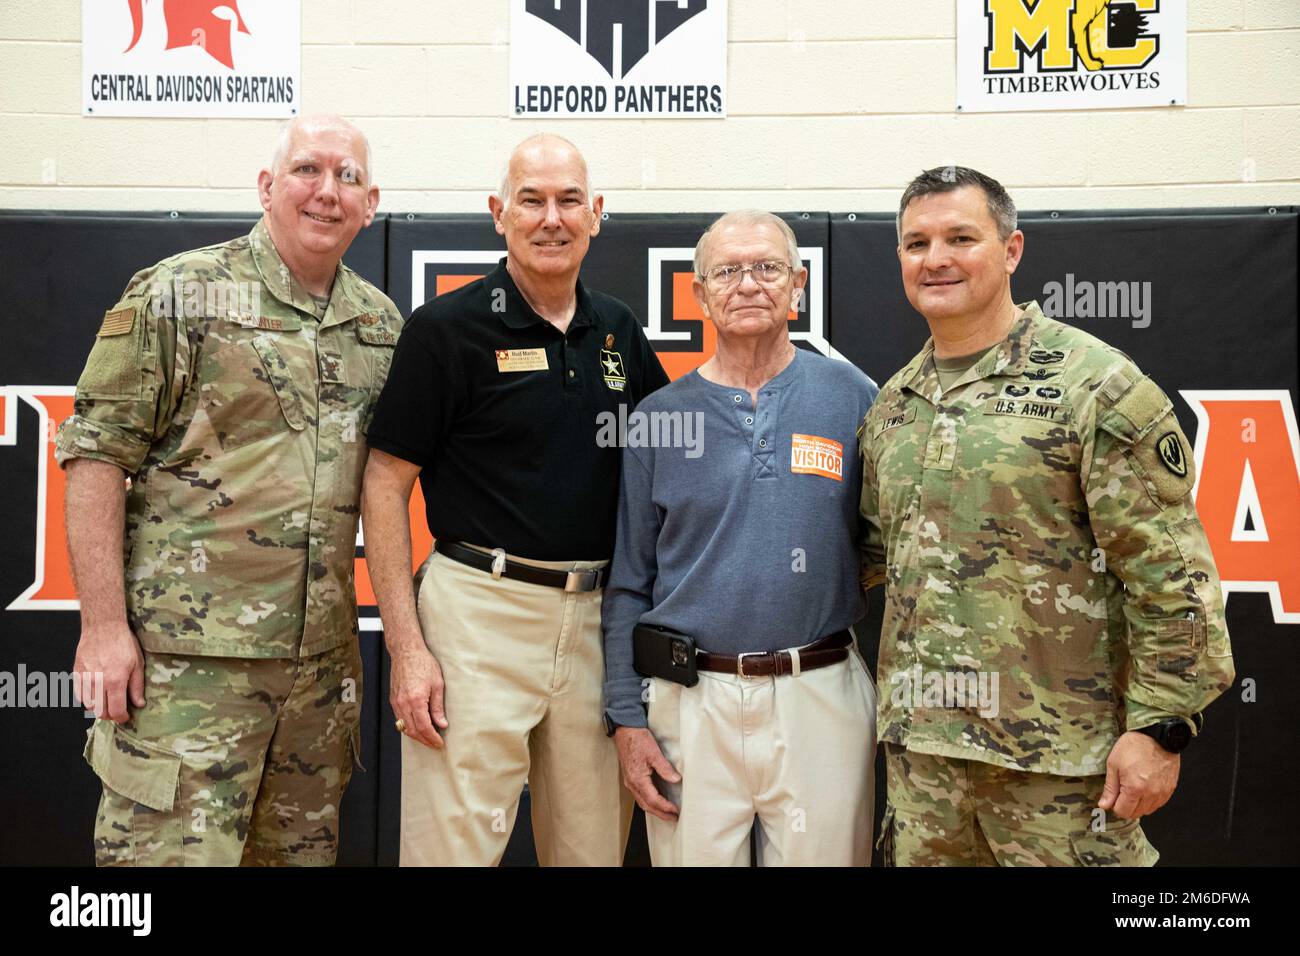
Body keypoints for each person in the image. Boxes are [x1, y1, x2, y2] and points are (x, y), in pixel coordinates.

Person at [859, 166, 1235, 866]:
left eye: (960, 237)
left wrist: (1160, 730)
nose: (935, 258)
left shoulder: (1094, 385)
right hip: (926, 768)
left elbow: (1171, 574)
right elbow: (872, 559)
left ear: (1011, 250)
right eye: (916, 243)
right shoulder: (894, 406)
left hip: (1060, 768)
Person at [57, 114, 402, 866]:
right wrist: (104, 627)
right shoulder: (179, 294)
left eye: (348, 178)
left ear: (370, 203)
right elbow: (94, 458)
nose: (327, 192)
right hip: (186, 672)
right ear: (267, 184)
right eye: (308, 169)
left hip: (318, 680)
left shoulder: (379, 326)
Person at [362, 133, 669, 866]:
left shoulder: (618, 330)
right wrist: (407, 649)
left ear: (597, 214)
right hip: (477, 614)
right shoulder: (445, 330)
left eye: (569, 201)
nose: (551, 218)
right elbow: (384, 481)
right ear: (499, 213)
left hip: (597, 620)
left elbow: (671, 469)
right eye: (531, 200)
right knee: (453, 852)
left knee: (592, 850)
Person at [602, 210, 879, 866]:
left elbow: (888, 543)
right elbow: (628, 584)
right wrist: (627, 717)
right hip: (689, 703)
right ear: (699, 293)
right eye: (726, 271)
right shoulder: (657, 420)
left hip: (819, 692)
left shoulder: (853, 397)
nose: (748, 284)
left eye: (767, 268)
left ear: (798, 284)